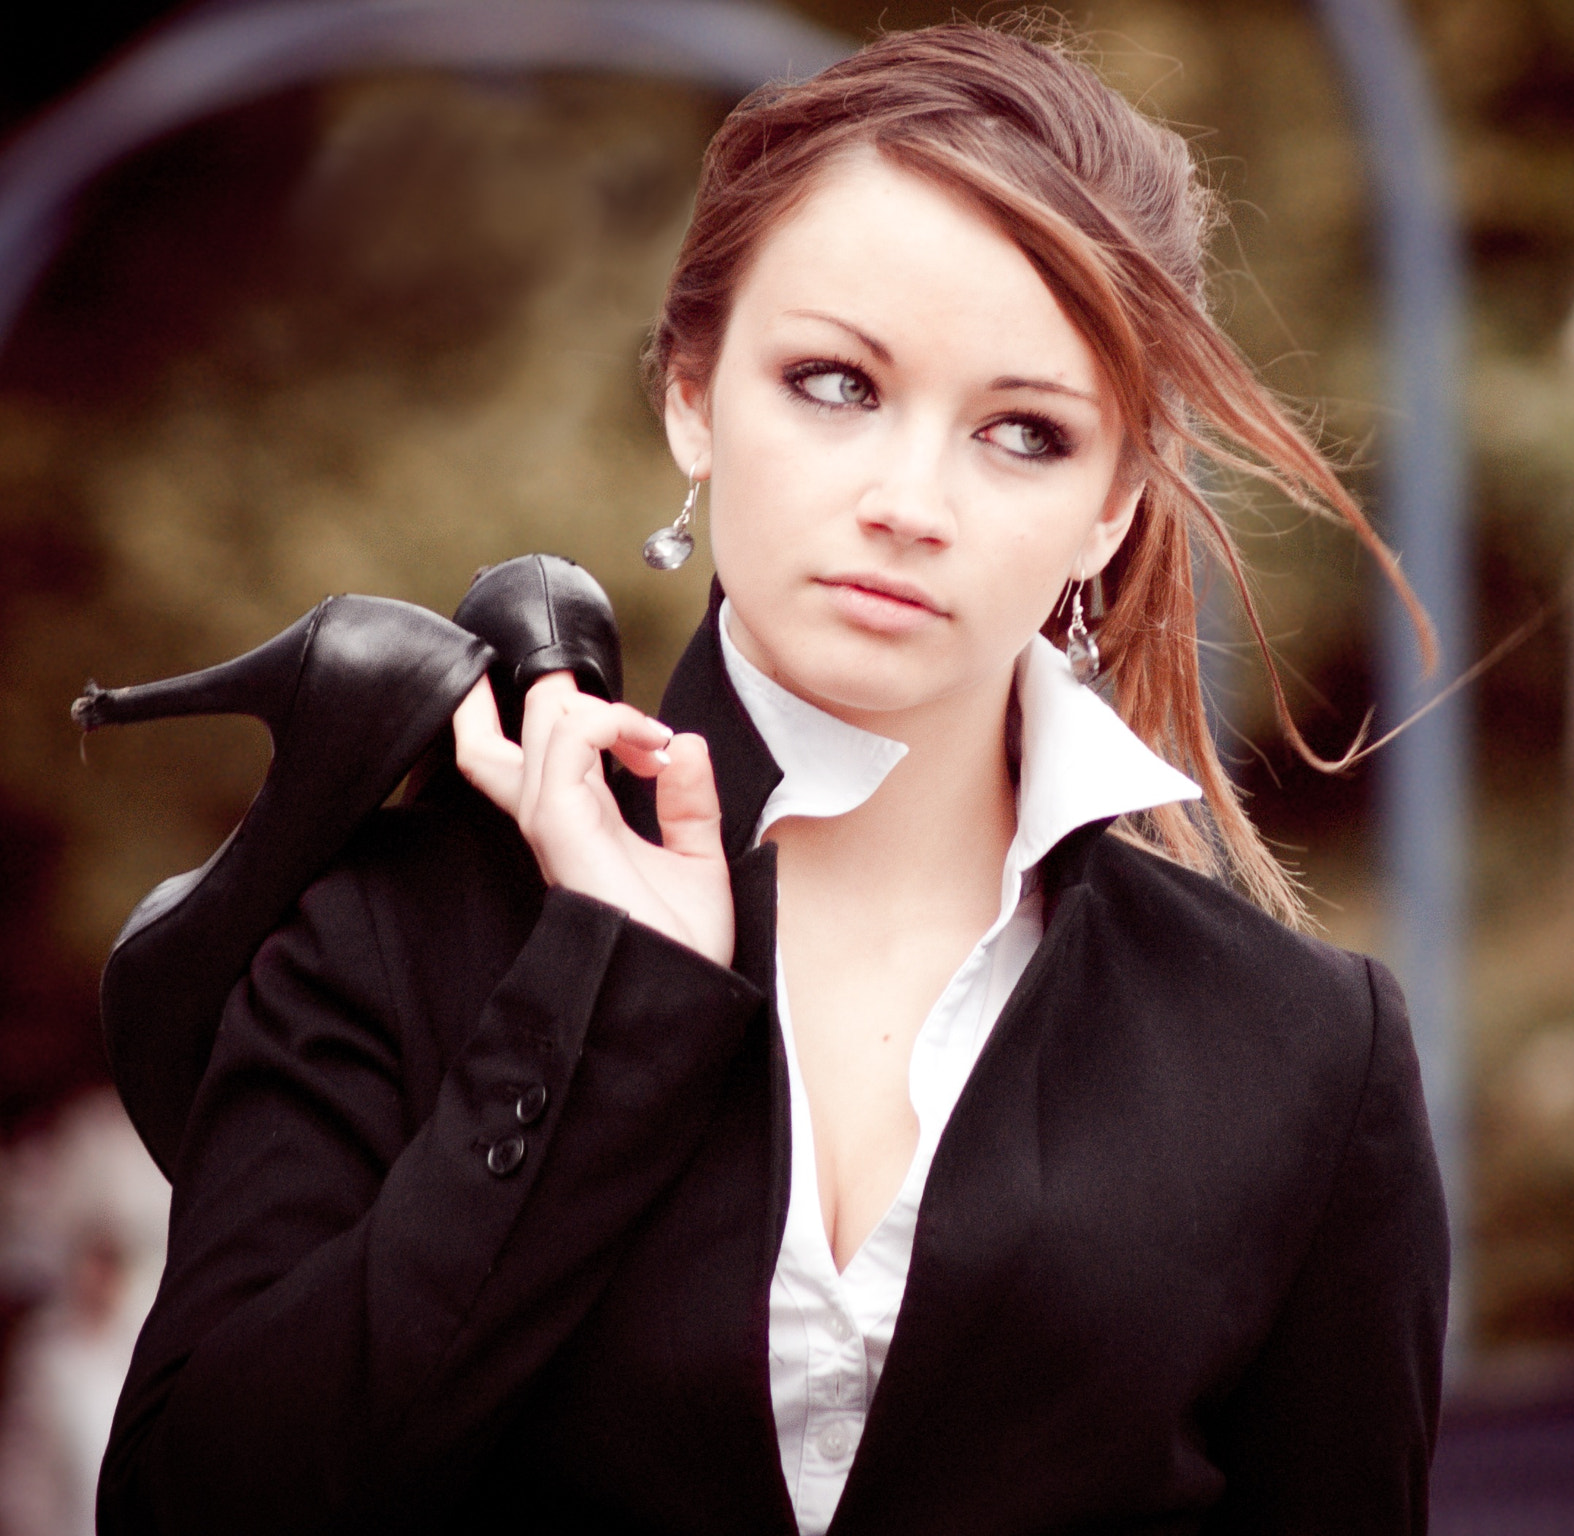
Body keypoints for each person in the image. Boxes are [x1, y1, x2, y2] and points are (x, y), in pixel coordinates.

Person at [95, 21, 1449, 1534]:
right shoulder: (393, 936)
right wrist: (601, 1015)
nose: (909, 501)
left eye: (1024, 432)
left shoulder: (1303, 1055)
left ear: (1113, 502)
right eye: (835, 383)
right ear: (692, 392)